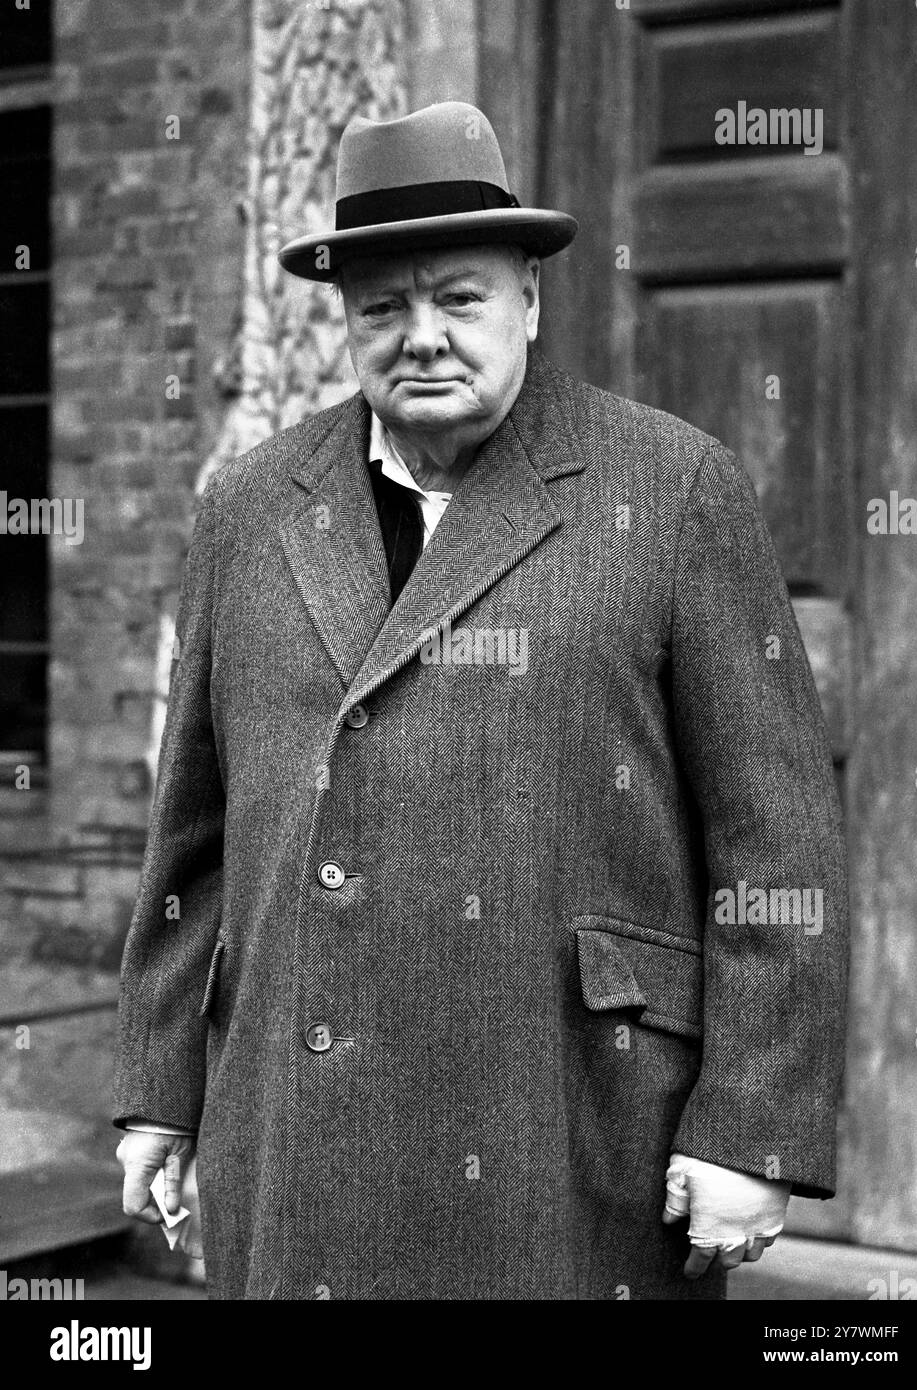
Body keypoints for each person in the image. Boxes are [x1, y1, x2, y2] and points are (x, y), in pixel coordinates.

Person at [114, 101, 849, 1300]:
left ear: (530, 302)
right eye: (382, 309)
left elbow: (776, 838)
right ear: (346, 321)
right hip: (298, 1123)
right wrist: (159, 1087)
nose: (423, 338)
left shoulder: (670, 490)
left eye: (458, 299)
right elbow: (189, 828)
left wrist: (751, 1127)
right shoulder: (248, 505)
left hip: (568, 1115)